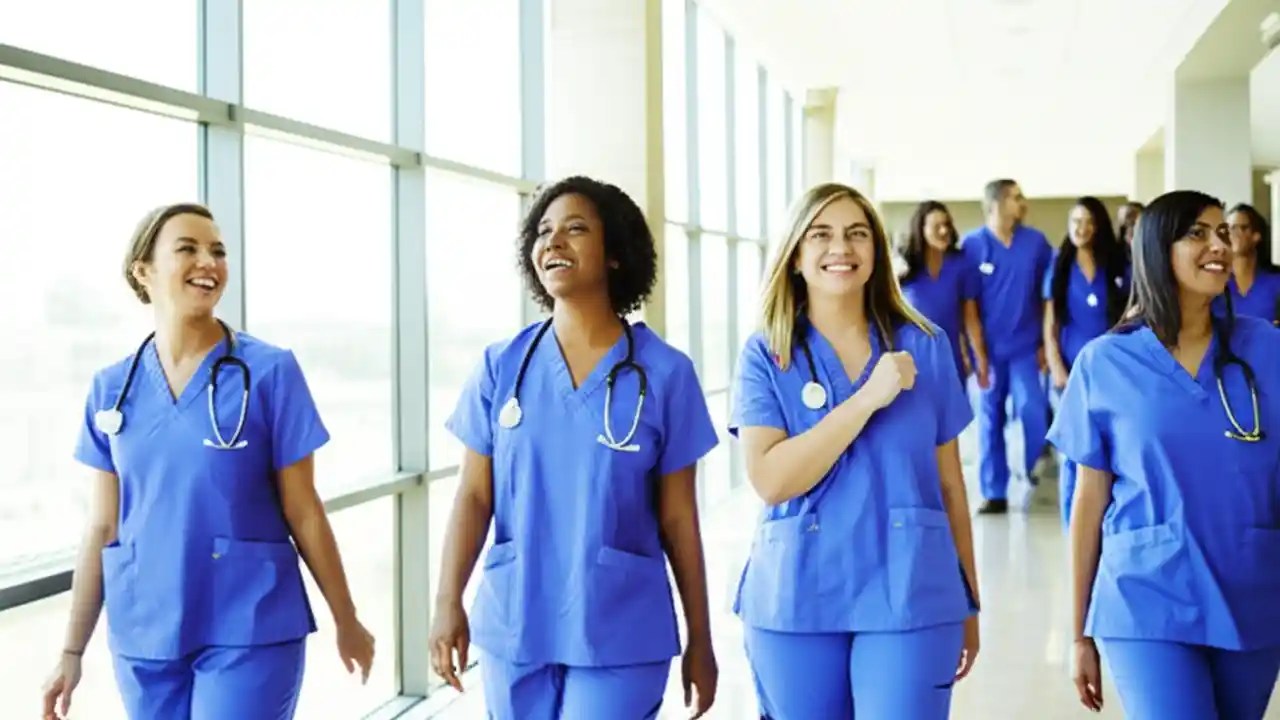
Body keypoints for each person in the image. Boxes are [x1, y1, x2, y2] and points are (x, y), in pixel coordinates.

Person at [40, 203, 376, 720]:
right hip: (145, 629)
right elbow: (103, 525)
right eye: (188, 248)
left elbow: (304, 509)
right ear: (143, 272)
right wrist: (71, 650)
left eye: (218, 250)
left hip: (251, 621)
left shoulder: (270, 372)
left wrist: (346, 617)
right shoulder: (111, 388)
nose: (210, 262)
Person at [428, 176, 720, 719]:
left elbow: (680, 517)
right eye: (544, 231)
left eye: (575, 229)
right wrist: (448, 601)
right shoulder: (502, 366)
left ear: (614, 255)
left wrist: (701, 637)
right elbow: (472, 497)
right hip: (515, 620)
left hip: (622, 626)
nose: (553, 242)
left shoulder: (666, 373)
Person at [730, 183, 981, 719]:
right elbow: (772, 480)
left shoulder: (926, 344)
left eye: (857, 234)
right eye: (821, 235)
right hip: (796, 597)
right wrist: (867, 399)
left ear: (877, 252)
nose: (840, 248)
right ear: (796, 255)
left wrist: (970, 600)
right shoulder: (765, 354)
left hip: (911, 588)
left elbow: (951, 485)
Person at [1048, 190, 1280, 719]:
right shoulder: (1105, 362)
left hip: (1253, 589)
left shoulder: (1267, 349)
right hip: (1144, 597)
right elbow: (1088, 503)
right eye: (1197, 233)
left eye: (1223, 232)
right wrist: (1079, 630)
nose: (1218, 244)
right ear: (1156, 248)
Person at [961, 178, 1053, 514]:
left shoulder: (1035, 243)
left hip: (1027, 347)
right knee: (990, 420)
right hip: (989, 352)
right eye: (1016, 197)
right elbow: (967, 305)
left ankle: (1029, 468)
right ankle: (994, 491)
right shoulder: (972, 245)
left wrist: (1046, 342)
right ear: (997, 202)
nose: (1022, 202)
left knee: (1032, 409)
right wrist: (979, 355)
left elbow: (1049, 296)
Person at [1041, 196, 1128, 525]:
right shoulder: (1060, 267)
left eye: (1088, 222)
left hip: (1110, 373)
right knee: (1072, 453)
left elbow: (1127, 317)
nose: (1081, 228)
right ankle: (1072, 523)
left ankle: (1103, 520)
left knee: (1107, 452)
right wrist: (1057, 366)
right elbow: (1050, 325)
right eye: (1076, 221)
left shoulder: (1116, 266)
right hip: (1070, 373)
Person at [898, 200, 991, 389]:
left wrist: (980, 358)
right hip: (911, 359)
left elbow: (970, 319)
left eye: (946, 225)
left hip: (950, 357)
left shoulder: (961, 265)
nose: (943, 231)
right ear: (921, 230)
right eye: (936, 226)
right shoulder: (904, 269)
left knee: (954, 416)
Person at [1212, 203, 1279, 324]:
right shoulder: (1214, 281)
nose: (1233, 233)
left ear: (1256, 236)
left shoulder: (1275, 280)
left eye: (1241, 228)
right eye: (1228, 228)